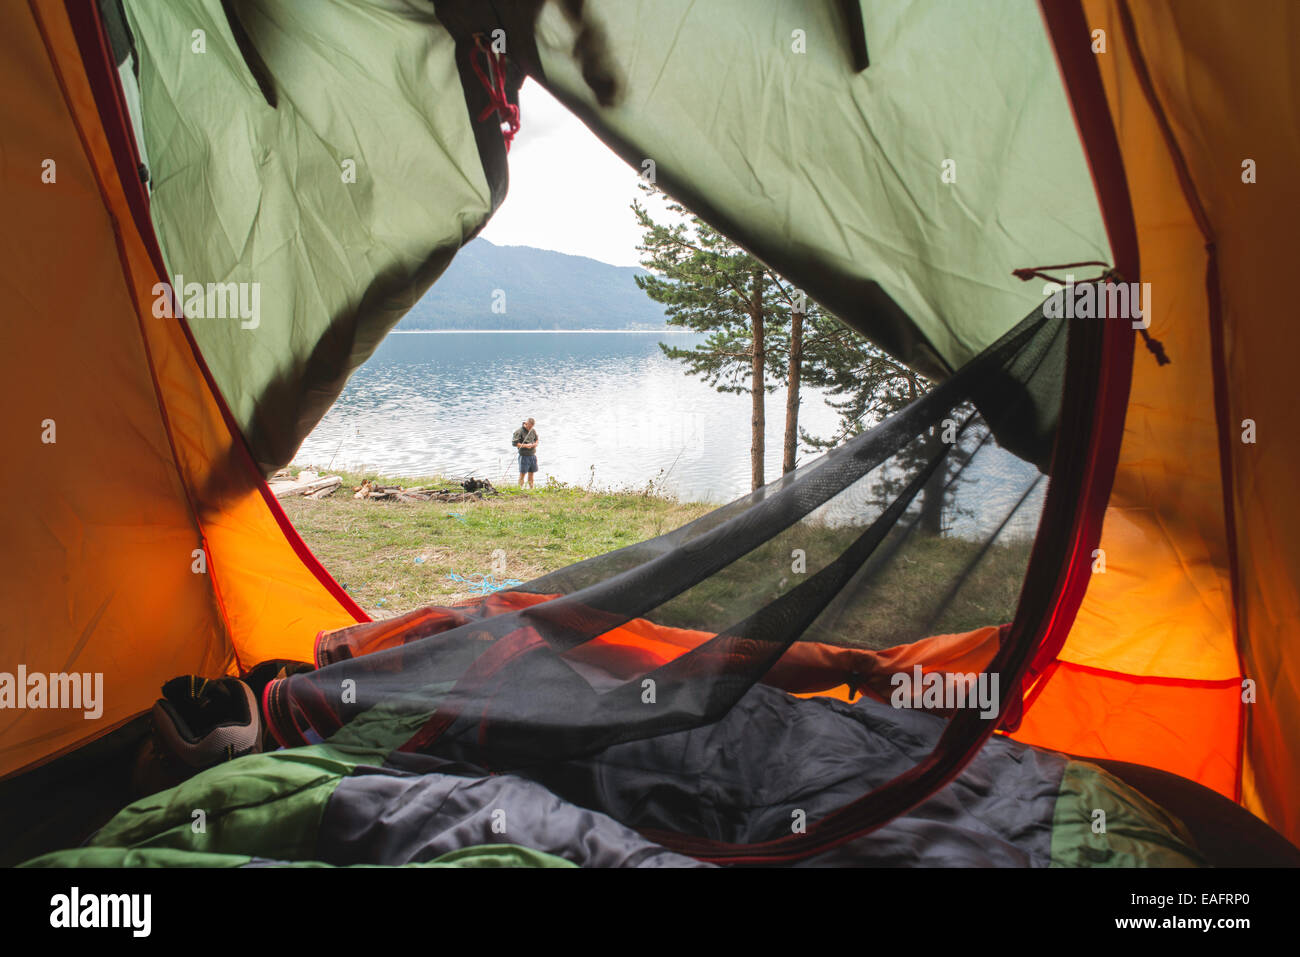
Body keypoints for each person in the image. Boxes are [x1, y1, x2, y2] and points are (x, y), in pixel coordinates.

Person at [511, 417, 539, 488]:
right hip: (524, 456)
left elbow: (537, 439)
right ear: (526, 424)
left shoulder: (533, 430)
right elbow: (514, 443)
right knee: (522, 474)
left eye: (531, 427)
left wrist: (535, 444)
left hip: (532, 455)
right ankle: (519, 489)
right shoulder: (519, 431)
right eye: (529, 427)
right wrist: (526, 446)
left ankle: (531, 489)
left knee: (531, 474)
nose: (530, 429)